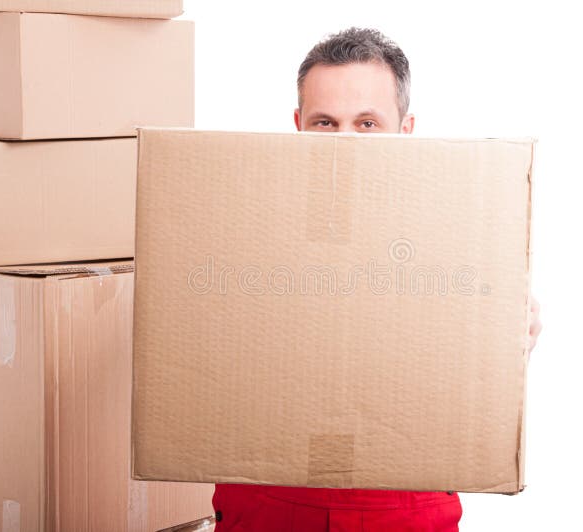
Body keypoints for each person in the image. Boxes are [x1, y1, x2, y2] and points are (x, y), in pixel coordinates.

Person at [212, 27, 543, 531]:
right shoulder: (236, 219)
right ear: (298, 124)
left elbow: (475, 353)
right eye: (326, 122)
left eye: (367, 122)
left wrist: (509, 332)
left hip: (402, 506)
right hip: (267, 502)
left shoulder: (460, 232)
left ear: (405, 130)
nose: (345, 141)